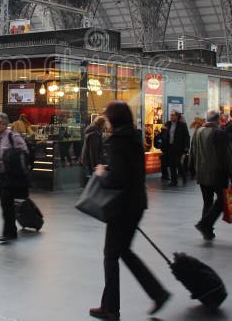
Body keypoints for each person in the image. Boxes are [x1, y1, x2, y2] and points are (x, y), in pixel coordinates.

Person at [89, 101, 170, 320]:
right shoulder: (133, 137)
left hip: (122, 206)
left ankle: (111, 308)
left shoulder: (117, 141)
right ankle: (157, 293)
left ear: (113, 119)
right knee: (123, 251)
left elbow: (117, 179)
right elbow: (130, 171)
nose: (105, 121)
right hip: (136, 202)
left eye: (107, 117)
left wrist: (101, 174)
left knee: (111, 255)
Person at [188, 110, 232, 241]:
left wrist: (192, 171)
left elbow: (192, 152)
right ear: (217, 120)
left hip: (201, 173)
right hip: (217, 173)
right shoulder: (219, 133)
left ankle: (207, 231)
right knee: (222, 200)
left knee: (207, 201)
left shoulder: (198, 132)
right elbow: (227, 156)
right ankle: (205, 224)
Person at [0, 112, 29, 242]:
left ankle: (8, 232)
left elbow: (24, 152)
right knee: (6, 205)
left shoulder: (13, 137)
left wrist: (13, 158)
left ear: (6, 124)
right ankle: (10, 232)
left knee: (8, 205)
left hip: (12, 175)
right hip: (1, 177)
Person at [156, 110, 190, 186]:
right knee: (172, 164)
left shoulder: (182, 125)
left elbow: (187, 137)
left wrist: (186, 148)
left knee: (178, 163)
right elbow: (164, 134)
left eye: (173, 115)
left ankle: (184, 176)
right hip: (170, 147)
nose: (171, 117)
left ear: (177, 116)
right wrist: (163, 129)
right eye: (170, 115)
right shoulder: (168, 124)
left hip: (179, 148)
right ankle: (174, 180)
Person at [81, 116, 107, 181]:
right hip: (90, 163)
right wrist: (95, 166)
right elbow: (93, 151)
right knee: (92, 181)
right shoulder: (94, 134)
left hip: (89, 162)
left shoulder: (94, 132)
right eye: (105, 124)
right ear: (101, 124)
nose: (105, 126)